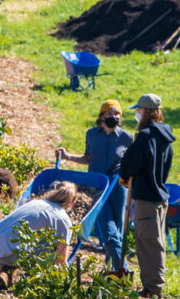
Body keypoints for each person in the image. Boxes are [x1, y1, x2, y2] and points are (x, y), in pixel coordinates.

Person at [56, 100, 134, 276]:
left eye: (117, 115)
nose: (113, 117)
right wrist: (67, 156)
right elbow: (87, 158)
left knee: (118, 230)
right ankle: (124, 269)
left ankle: (113, 267)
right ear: (101, 116)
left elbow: (131, 163)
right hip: (97, 188)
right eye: (109, 114)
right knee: (107, 228)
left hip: (118, 187)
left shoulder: (126, 138)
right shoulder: (92, 134)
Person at [118, 94, 175, 298]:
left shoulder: (145, 136)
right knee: (155, 242)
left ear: (146, 112)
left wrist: (123, 176)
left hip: (146, 198)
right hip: (159, 196)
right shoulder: (165, 135)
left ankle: (152, 287)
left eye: (139, 110)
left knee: (147, 243)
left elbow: (129, 164)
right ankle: (154, 284)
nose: (137, 113)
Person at [0, 181, 78, 289]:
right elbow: (61, 259)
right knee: (52, 245)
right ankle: (34, 280)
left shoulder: (35, 203)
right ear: (72, 203)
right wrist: (65, 284)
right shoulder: (62, 218)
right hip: (10, 251)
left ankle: (6, 273)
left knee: (27, 237)